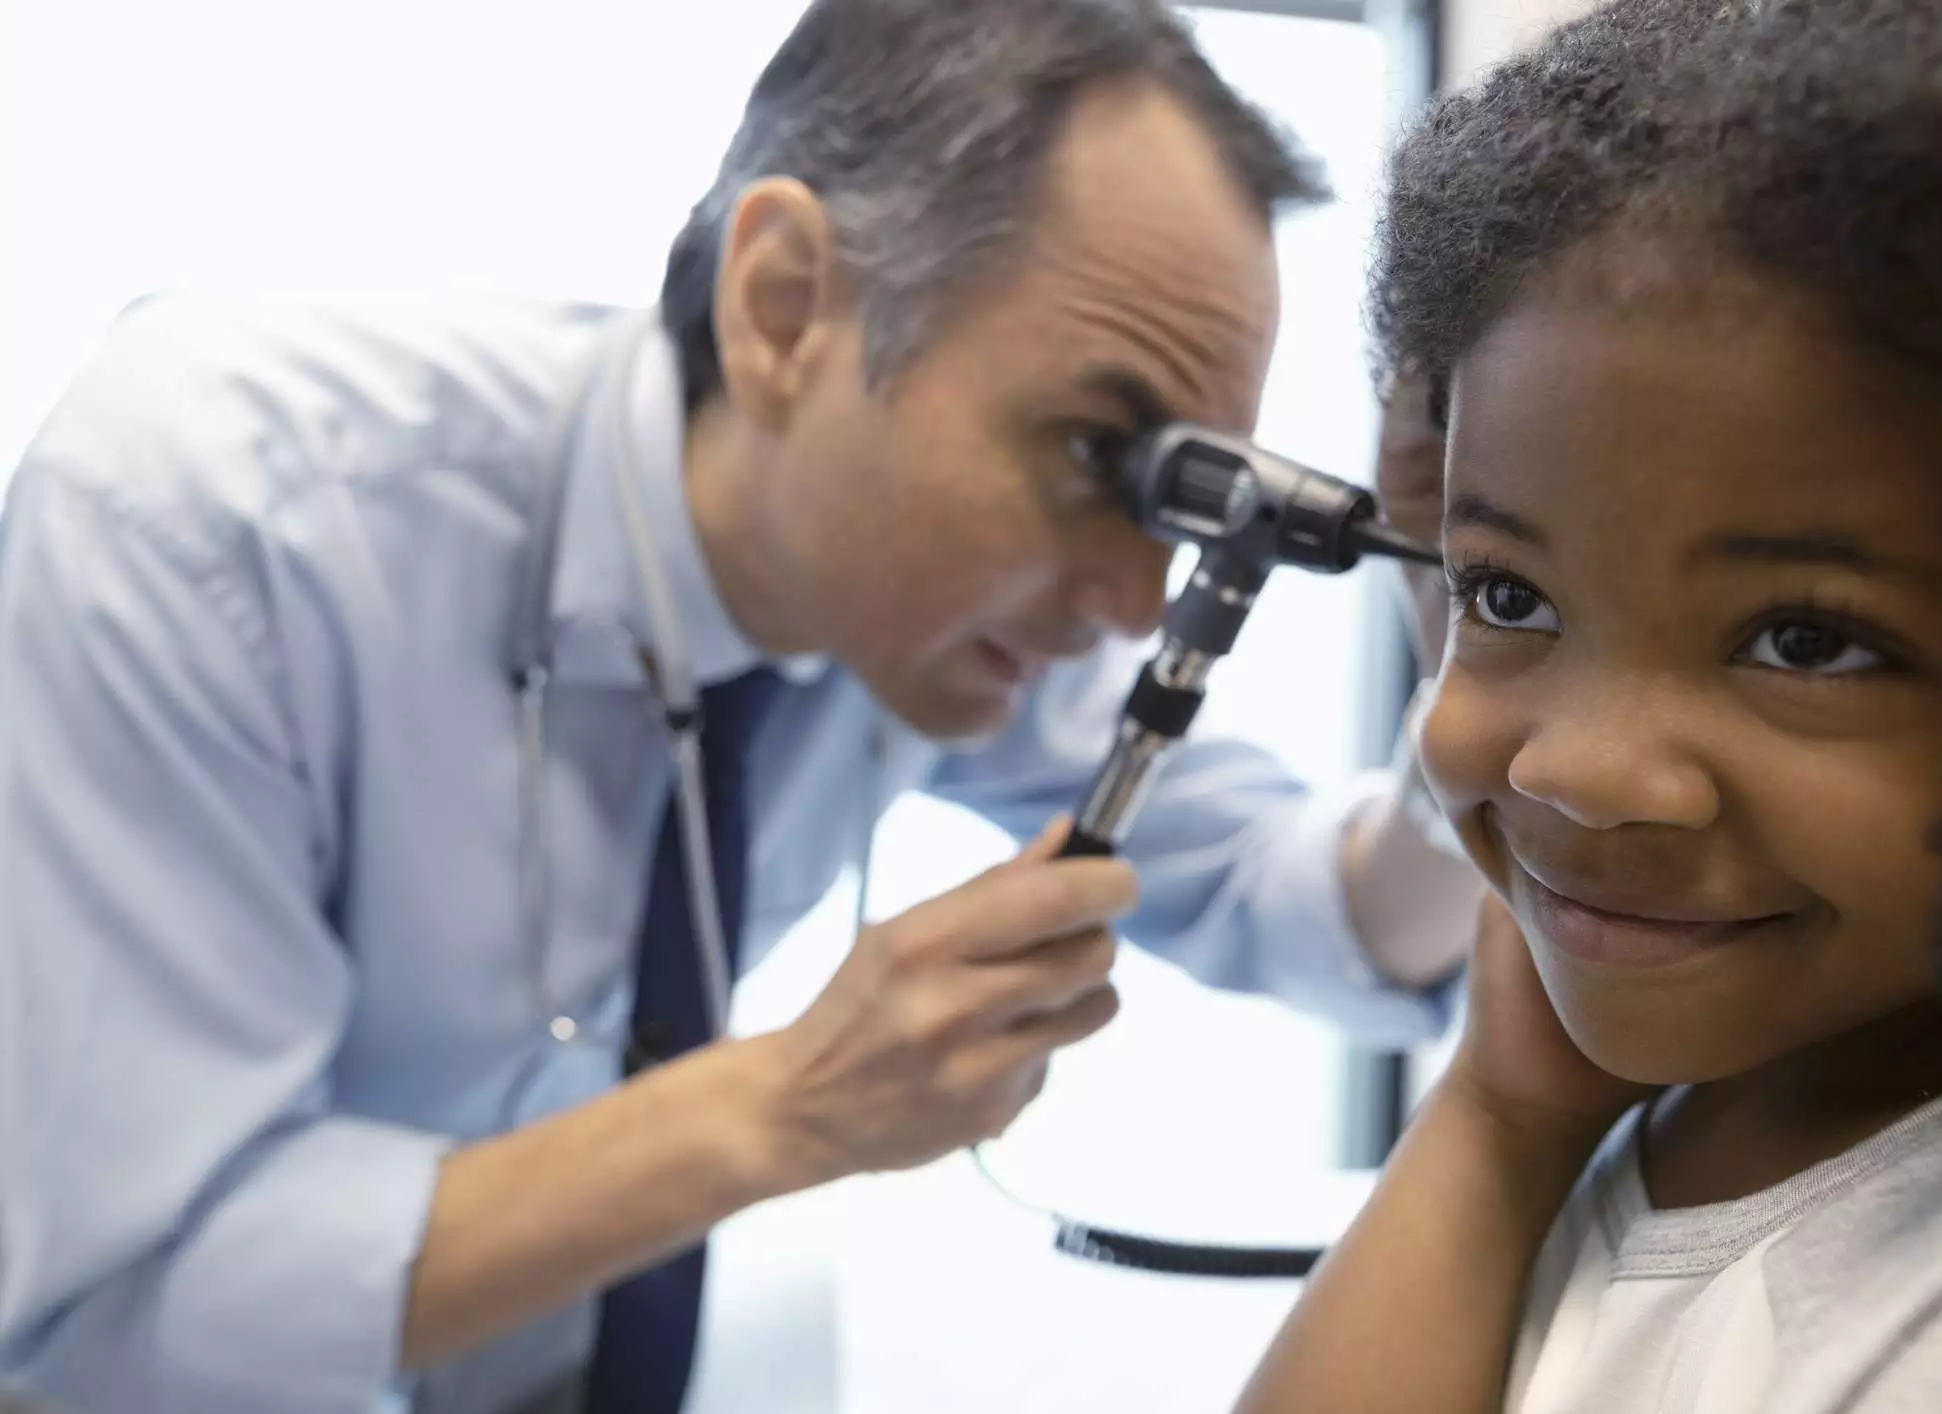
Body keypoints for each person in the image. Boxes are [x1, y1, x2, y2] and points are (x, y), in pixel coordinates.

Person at [0, 2, 1489, 1411]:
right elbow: (104, 1316)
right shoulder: (221, 516)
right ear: (785, 309)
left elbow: (1337, 917)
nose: (1123, 598)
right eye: (1098, 453)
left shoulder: (923, 608)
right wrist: (785, 1103)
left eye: (1176, 495)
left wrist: (1468, 670)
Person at [1240, 0, 1942, 1409]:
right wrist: (1497, 1120)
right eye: (1509, 593)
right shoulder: (1694, 1066)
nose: (1580, 770)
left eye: (1806, 639)